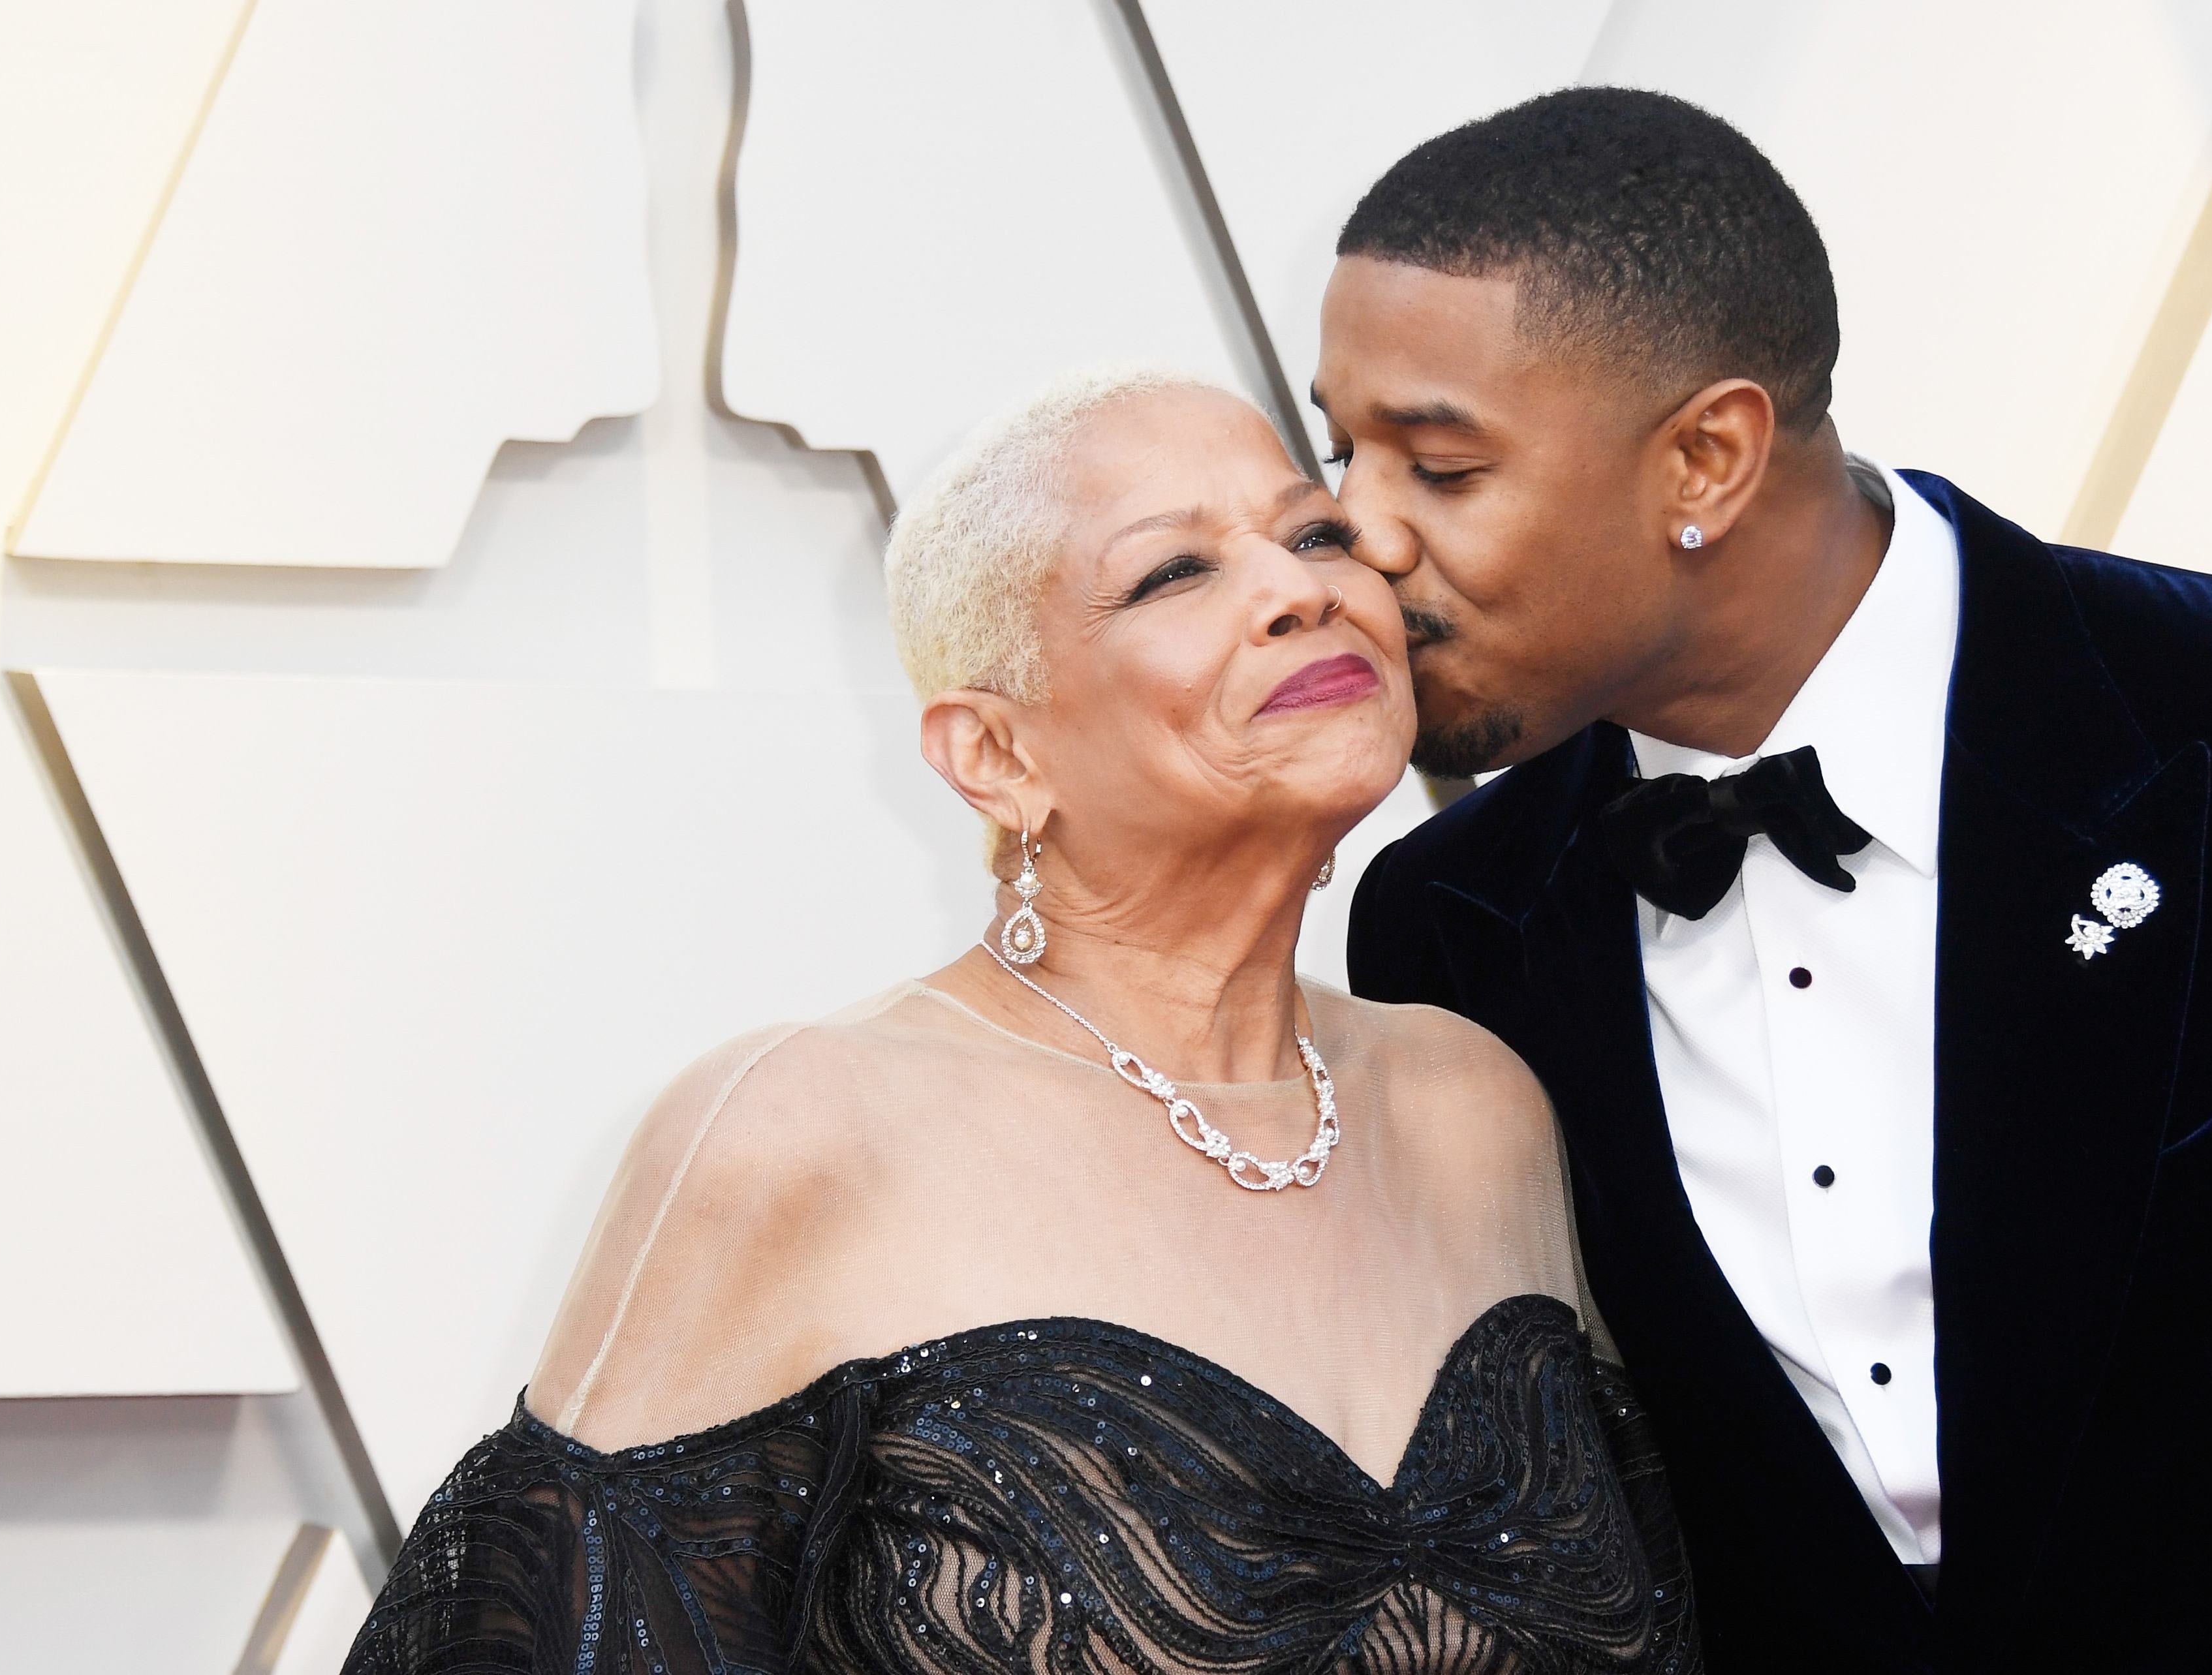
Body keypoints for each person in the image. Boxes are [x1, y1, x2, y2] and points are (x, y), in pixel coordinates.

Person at [1327, 89, 2212, 1670]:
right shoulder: (1450, 921)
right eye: (1345, 453)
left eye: (1441, 469)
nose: (1356, 536)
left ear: (1709, 459)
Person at [342, 368, 1698, 1673]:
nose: (1303, 592)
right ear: (997, 756)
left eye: (1319, 532)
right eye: (1177, 571)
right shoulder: (799, 1126)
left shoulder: (1474, 1104)